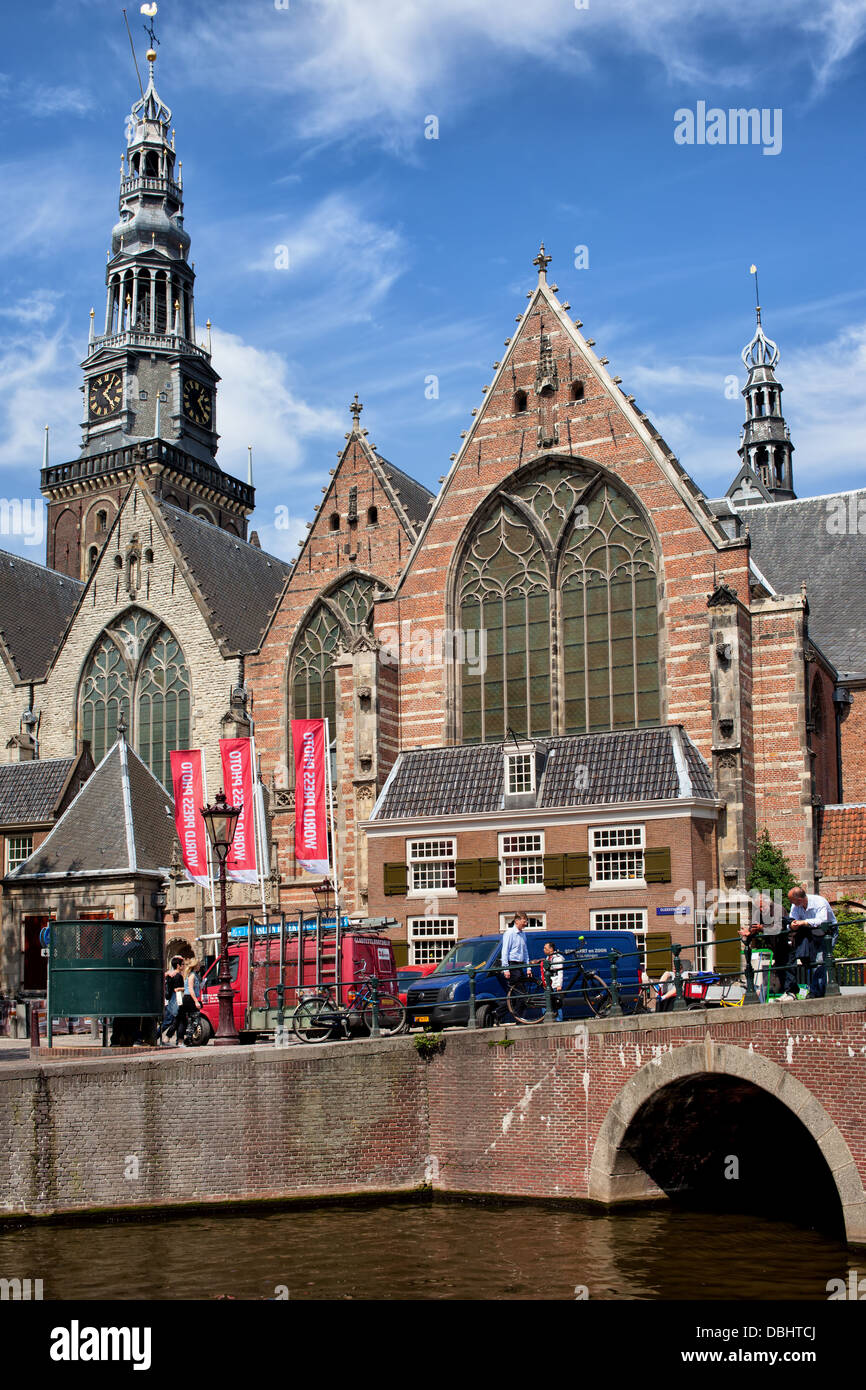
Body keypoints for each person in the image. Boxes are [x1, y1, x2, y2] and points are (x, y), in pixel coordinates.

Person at [787, 886, 838, 999]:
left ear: (799, 900)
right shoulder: (796, 906)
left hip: (827, 932)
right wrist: (792, 925)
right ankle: (819, 989)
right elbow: (792, 919)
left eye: (792, 900)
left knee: (821, 960)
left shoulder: (819, 902)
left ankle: (817, 992)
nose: (791, 903)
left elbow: (822, 920)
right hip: (812, 933)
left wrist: (803, 922)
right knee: (812, 961)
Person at [159, 955, 186, 1045]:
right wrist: (185, 988)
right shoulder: (178, 976)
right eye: (182, 964)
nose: (184, 966)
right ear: (178, 965)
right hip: (175, 1001)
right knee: (168, 1021)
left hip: (171, 1000)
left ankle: (176, 1040)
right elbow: (177, 989)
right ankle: (156, 1036)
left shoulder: (171, 974)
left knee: (176, 1021)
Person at [501, 912, 531, 989]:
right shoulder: (509, 934)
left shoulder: (523, 934)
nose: (526, 923)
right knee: (520, 991)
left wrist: (528, 968)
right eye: (524, 921)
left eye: (526, 921)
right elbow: (505, 951)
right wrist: (506, 969)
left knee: (522, 990)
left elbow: (525, 952)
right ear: (517, 921)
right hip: (512, 965)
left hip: (520, 965)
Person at [180, 958, 204, 1044]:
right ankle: (188, 1038)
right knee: (195, 1019)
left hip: (189, 998)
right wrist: (196, 1001)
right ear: (195, 966)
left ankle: (188, 1038)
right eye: (198, 965)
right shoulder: (192, 975)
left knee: (192, 1019)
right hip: (190, 998)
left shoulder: (194, 975)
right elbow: (191, 989)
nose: (199, 967)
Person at [542, 940, 565, 1020]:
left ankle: (559, 1020)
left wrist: (559, 985)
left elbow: (560, 972)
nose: (543, 950)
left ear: (551, 949)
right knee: (548, 1002)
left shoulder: (557, 958)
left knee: (556, 1003)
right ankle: (549, 1019)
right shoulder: (548, 957)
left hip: (554, 984)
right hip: (549, 984)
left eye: (545, 948)